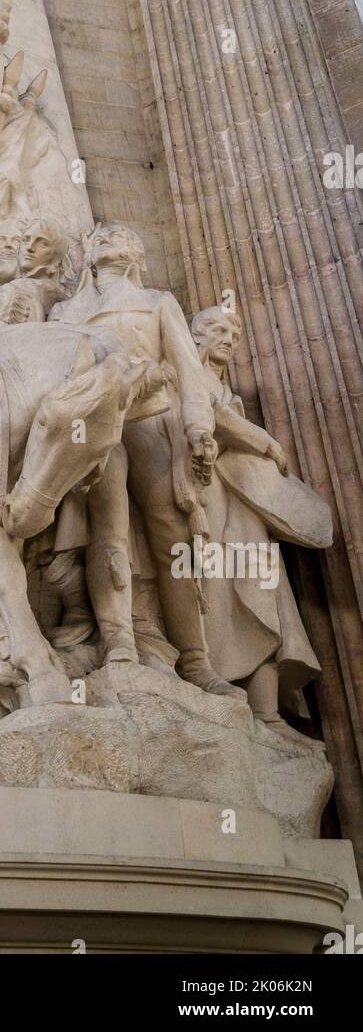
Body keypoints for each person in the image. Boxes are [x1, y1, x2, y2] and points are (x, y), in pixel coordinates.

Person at [52, 224, 242, 697]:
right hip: (98, 428)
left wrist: (198, 426)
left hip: (152, 422)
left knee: (172, 537)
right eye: (101, 237)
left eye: (121, 236)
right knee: (108, 531)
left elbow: (187, 367)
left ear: (136, 252)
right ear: (90, 255)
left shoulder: (158, 301)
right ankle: (119, 642)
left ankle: (195, 660)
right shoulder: (66, 311)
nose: (110, 239)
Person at [190, 306, 321, 729]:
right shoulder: (190, 377)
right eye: (220, 331)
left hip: (240, 507)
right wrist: (265, 442)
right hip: (205, 502)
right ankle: (235, 708)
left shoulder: (226, 390)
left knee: (262, 593)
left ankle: (266, 712)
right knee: (220, 600)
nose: (229, 340)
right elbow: (214, 418)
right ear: (196, 336)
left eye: (234, 334)